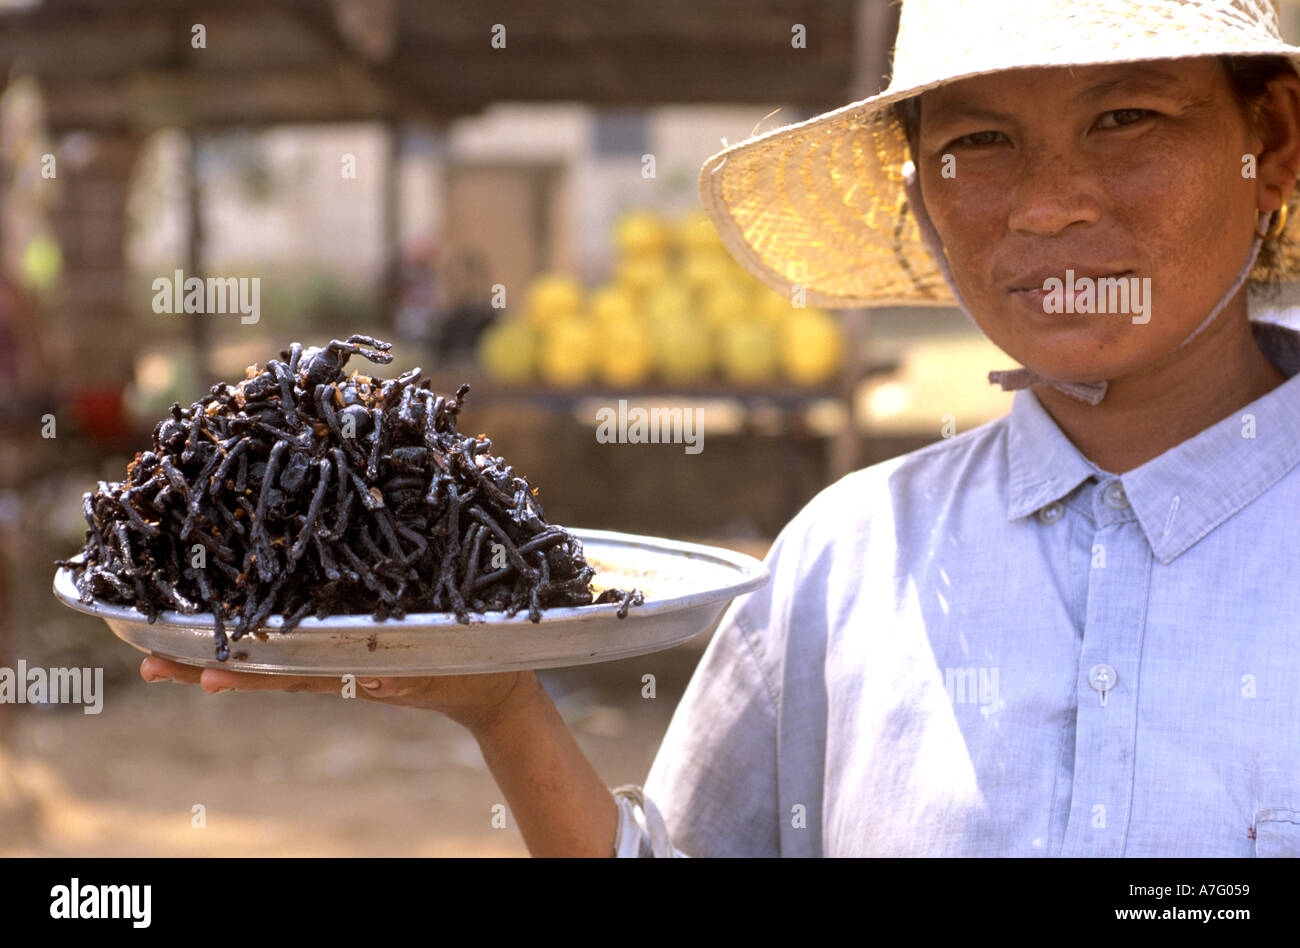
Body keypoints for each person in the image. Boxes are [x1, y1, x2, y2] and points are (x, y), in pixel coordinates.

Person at [142, 0, 1300, 856]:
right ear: (920, 192)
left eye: (1127, 117)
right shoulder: (847, 561)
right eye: (977, 143)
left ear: (1274, 148)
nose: (1048, 202)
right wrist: (499, 700)